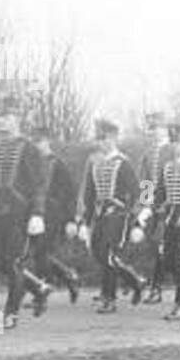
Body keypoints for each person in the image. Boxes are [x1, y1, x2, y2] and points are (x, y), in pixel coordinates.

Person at [0, 96, 49, 328]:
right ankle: (39, 288)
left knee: (15, 263)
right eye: (0, 118)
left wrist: (37, 213)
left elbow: (39, 184)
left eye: (7, 117)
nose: (2, 122)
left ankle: (9, 315)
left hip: (21, 213)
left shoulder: (28, 149)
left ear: (17, 119)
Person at [72, 118, 144, 313]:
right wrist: (85, 223)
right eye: (99, 139)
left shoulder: (123, 163)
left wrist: (137, 221)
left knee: (108, 254)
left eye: (105, 139)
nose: (102, 143)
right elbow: (89, 195)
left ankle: (110, 299)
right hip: (100, 215)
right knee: (98, 253)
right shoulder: (95, 163)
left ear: (114, 138)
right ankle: (134, 281)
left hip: (118, 214)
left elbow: (138, 193)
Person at [26, 124, 80, 305]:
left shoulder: (57, 164)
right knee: (38, 253)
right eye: (34, 142)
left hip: (52, 214)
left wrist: (71, 219)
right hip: (34, 214)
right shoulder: (31, 164)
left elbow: (71, 193)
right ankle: (68, 276)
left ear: (47, 141)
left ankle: (41, 291)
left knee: (41, 252)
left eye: (39, 141)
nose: (37, 145)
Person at [151, 115, 180, 321]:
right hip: (170, 218)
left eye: (178, 141)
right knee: (168, 261)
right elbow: (159, 194)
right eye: (173, 142)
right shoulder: (167, 167)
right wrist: (150, 214)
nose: (175, 146)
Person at [137, 111, 176, 304]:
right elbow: (145, 182)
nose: (153, 132)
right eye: (151, 128)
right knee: (157, 247)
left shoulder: (174, 150)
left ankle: (157, 288)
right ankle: (157, 286)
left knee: (164, 247)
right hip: (154, 207)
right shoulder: (148, 153)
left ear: (164, 128)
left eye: (157, 127)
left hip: (171, 206)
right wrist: (145, 206)